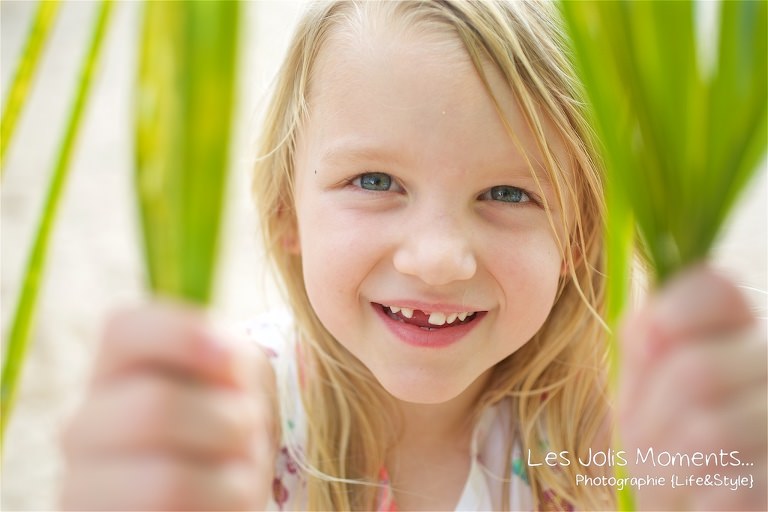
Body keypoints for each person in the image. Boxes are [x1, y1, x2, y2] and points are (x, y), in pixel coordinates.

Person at [60, 1, 766, 510]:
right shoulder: (237, 418)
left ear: (578, 241)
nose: (438, 260)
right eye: (374, 182)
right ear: (286, 215)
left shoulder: (613, 441)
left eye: (509, 193)